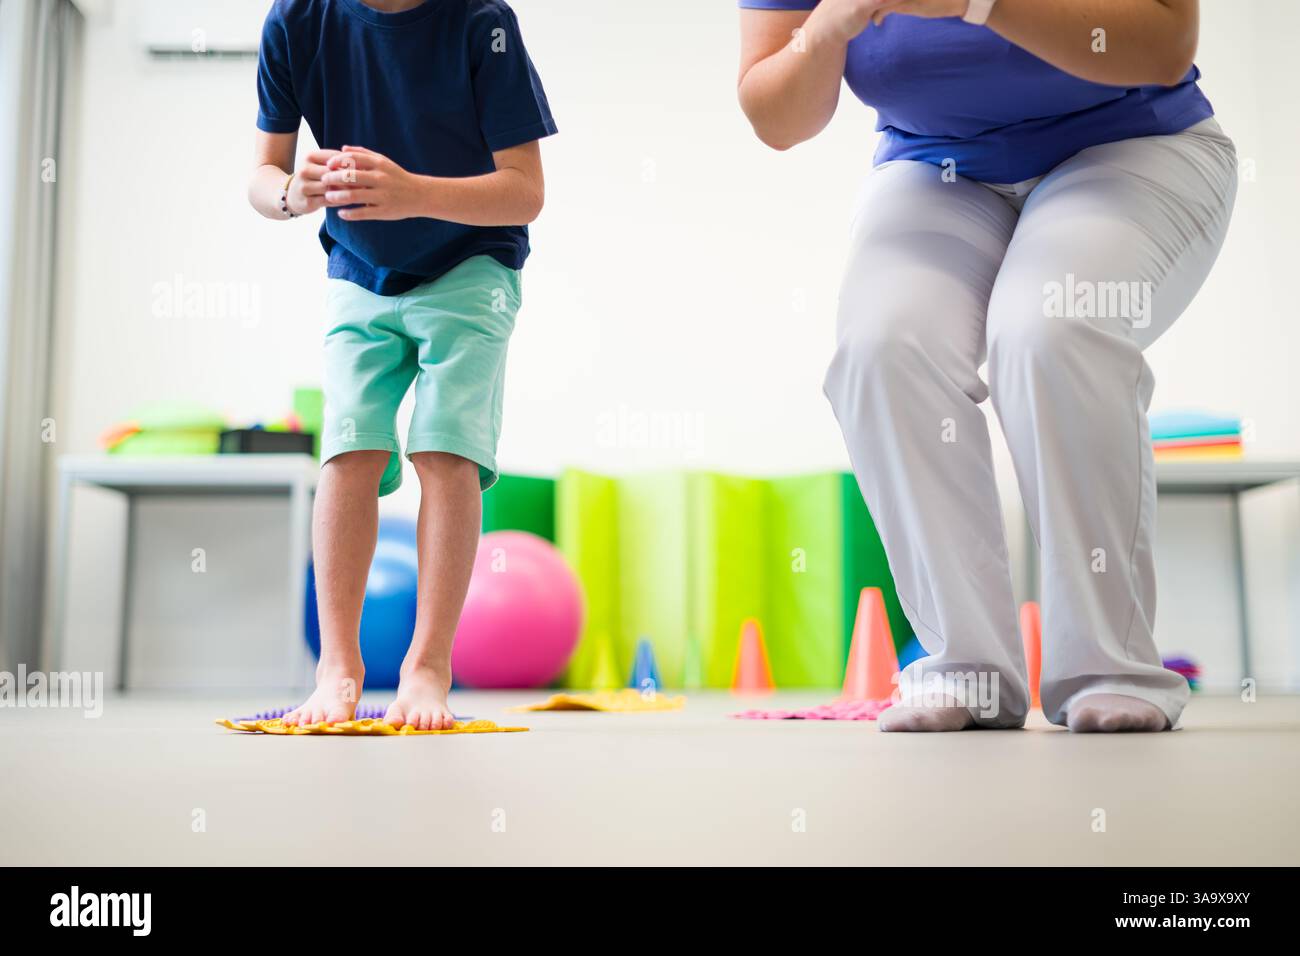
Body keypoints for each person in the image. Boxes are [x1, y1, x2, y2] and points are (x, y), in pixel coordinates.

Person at [737, 0, 1236, 731]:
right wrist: (830, 25)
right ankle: (964, 671)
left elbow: (1163, 45)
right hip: (934, 162)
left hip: (1136, 145)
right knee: (882, 346)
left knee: (1049, 327)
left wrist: (978, 4)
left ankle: (1111, 666)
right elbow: (776, 118)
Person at [247, 0, 556, 729]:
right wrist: (295, 194)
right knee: (348, 450)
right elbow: (263, 173)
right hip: (358, 268)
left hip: (473, 262)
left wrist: (412, 193)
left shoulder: (483, 21)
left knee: (446, 448)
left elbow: (526, 190)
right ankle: (337, 669)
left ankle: (426, 670)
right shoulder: (296, 20)